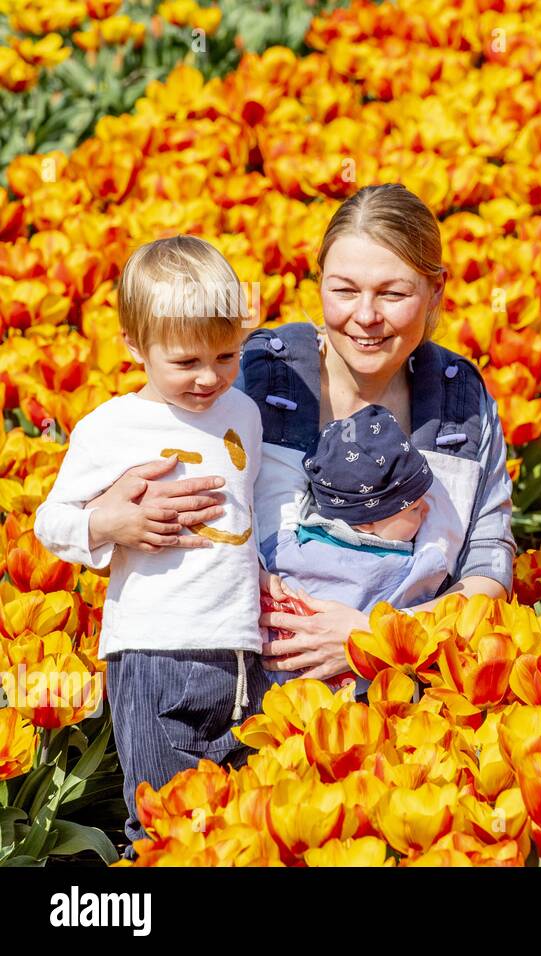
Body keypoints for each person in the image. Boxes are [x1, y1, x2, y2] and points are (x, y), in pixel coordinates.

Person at [81, 183, 516, 694]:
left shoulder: (460, 403)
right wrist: (109, 509)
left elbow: (488, 566)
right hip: (234, 697)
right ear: (319, 284)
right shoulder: (263, 378)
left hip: (408, 697)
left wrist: (372, 637)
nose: (366, 316)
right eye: (344, 290)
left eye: (393, 293)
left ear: (436, 290)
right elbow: (149, 454)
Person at [31, 236, 275, 857]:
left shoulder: (243, 412)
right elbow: (51, 522)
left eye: (226, 355)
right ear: (135, 348)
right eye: (185, 361)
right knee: (161, 818)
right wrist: (111, 525)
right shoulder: (110, 428)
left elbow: (245, 509)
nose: (208, 377)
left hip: (240, 651)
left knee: (235, 821)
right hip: (152, 651)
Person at [261, 402, 442, 694]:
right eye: (413, 509)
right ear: (367, 523)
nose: (427, 511)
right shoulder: (396, 567)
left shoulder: (290, 544)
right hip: (360, 692)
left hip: (280, 686)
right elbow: (436, 576)